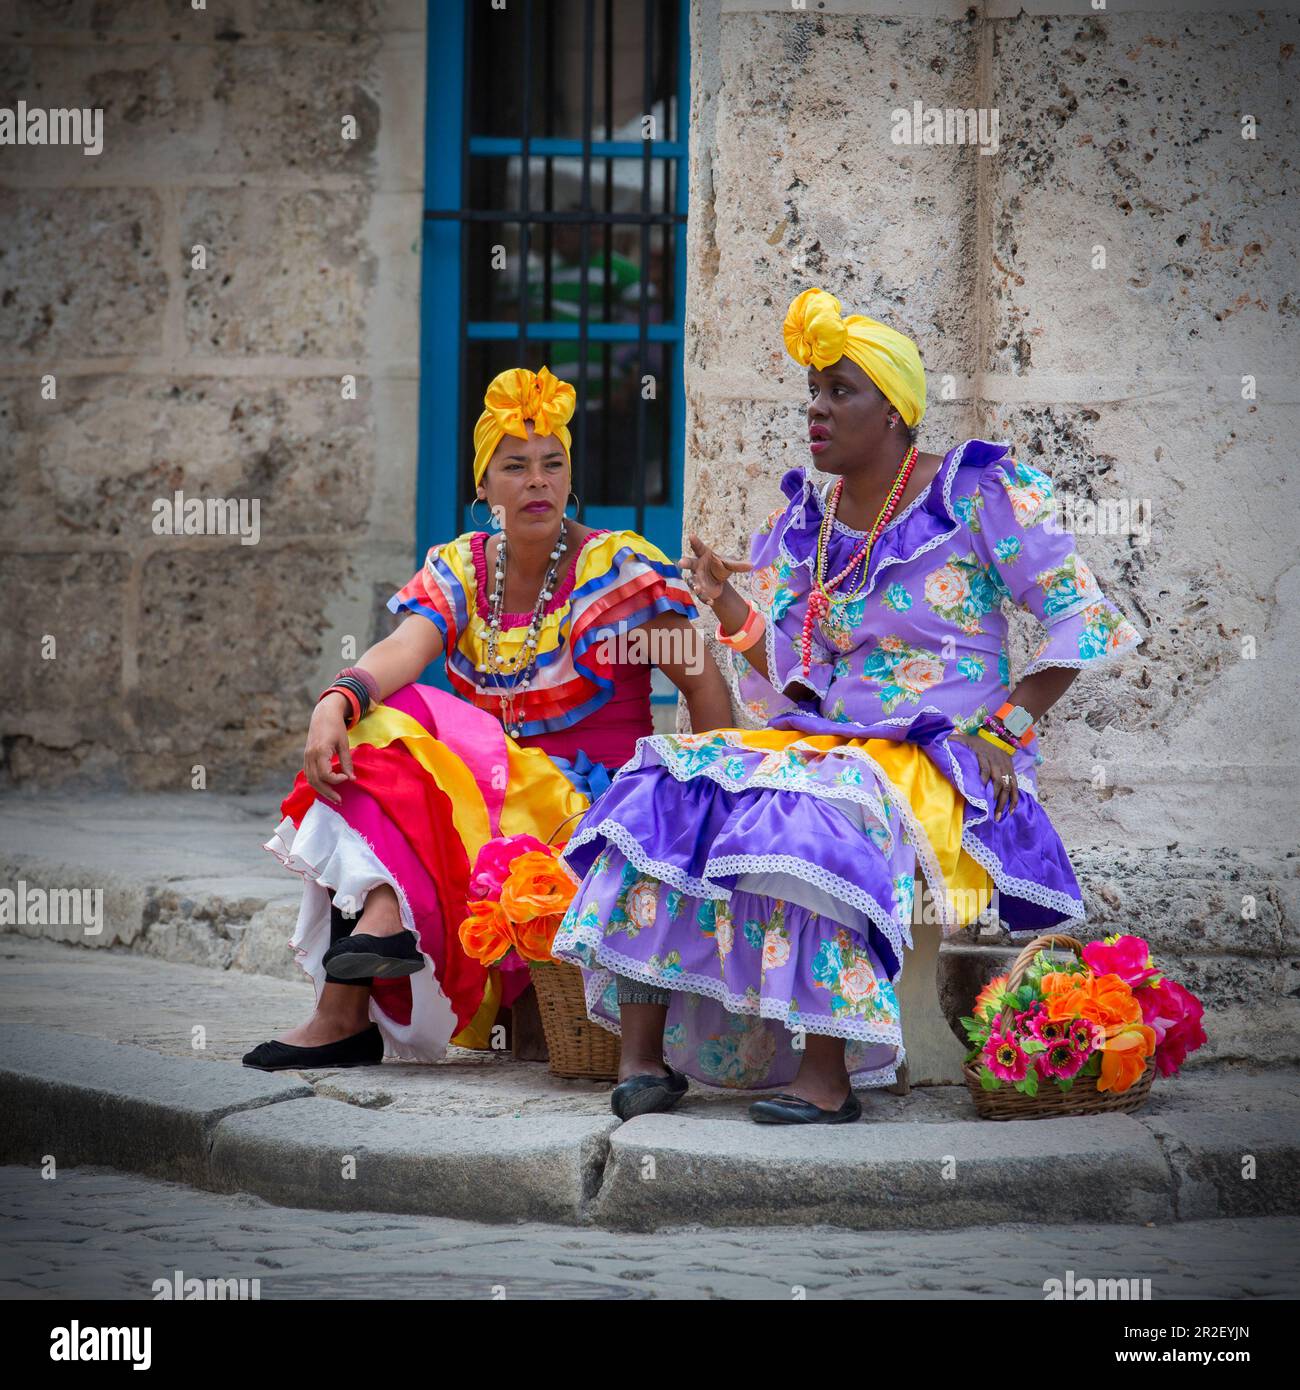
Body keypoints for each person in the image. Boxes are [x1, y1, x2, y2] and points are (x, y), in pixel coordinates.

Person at [550, 287, 1146, 1124]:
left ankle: (827, 1075)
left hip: (942, 752)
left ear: (896, 411)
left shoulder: (978, 493)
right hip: (831, 738)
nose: (816, 410)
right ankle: (643, 1059)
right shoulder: (810, 520)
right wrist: (726, 607)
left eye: (841, 391)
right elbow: (797, 675)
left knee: (818, 815)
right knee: (666, 788)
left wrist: (1006, 731)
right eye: (813, 392)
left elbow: (1077, 620)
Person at [244, 365, 732, 1071]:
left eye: (552, 464)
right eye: (515, 467)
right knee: (380, 719)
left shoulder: (618, 571)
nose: (537, 481)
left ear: (569, 478)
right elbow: (402, 651)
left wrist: (708, 806)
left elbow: (703, 684)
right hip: (486, 805)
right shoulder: (463, 570)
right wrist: (334, 701)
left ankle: (355, 986)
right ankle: (353, 985)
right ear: (483, 487)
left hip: (587, 807)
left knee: (405, 729)